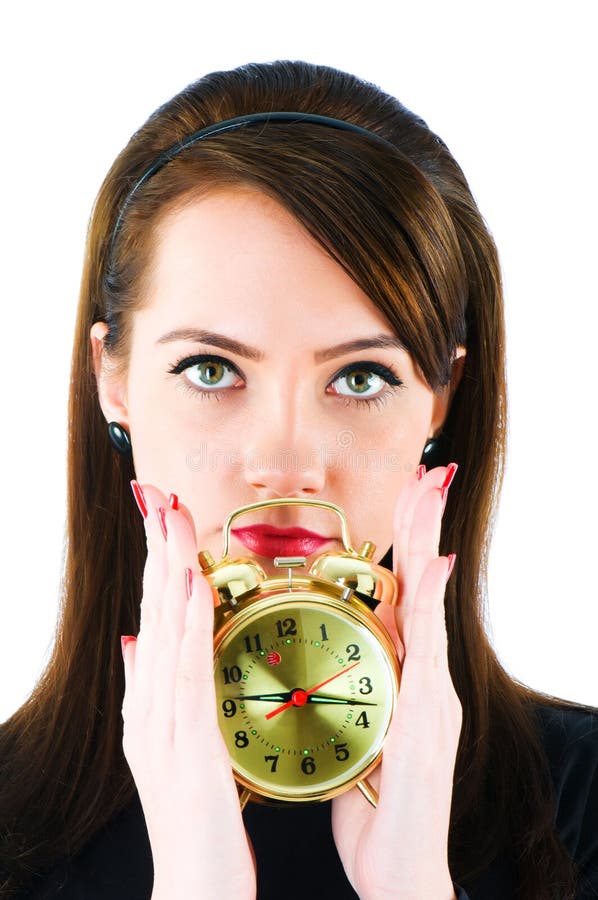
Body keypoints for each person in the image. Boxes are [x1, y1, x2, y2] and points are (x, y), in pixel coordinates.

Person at [0, 58, 596, 900]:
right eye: (211, 369)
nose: (284, 464)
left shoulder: (584, 810)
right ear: (115, 380)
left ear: (440, 399)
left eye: (359, 378)